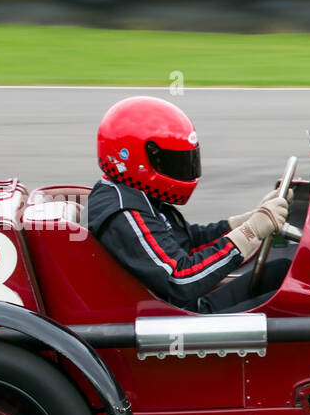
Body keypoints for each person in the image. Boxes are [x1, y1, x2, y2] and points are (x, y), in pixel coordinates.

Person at [86, 96, 292, 313]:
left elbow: (189, 242)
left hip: (179, 308)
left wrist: (246, 220)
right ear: (133, 157)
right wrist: (251, 232)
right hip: (172, 319)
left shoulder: (135, 194)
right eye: (172, 161)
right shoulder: (123, 211)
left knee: (281, 272)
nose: (182, 169)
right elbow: (180, 280)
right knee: (294, 305)